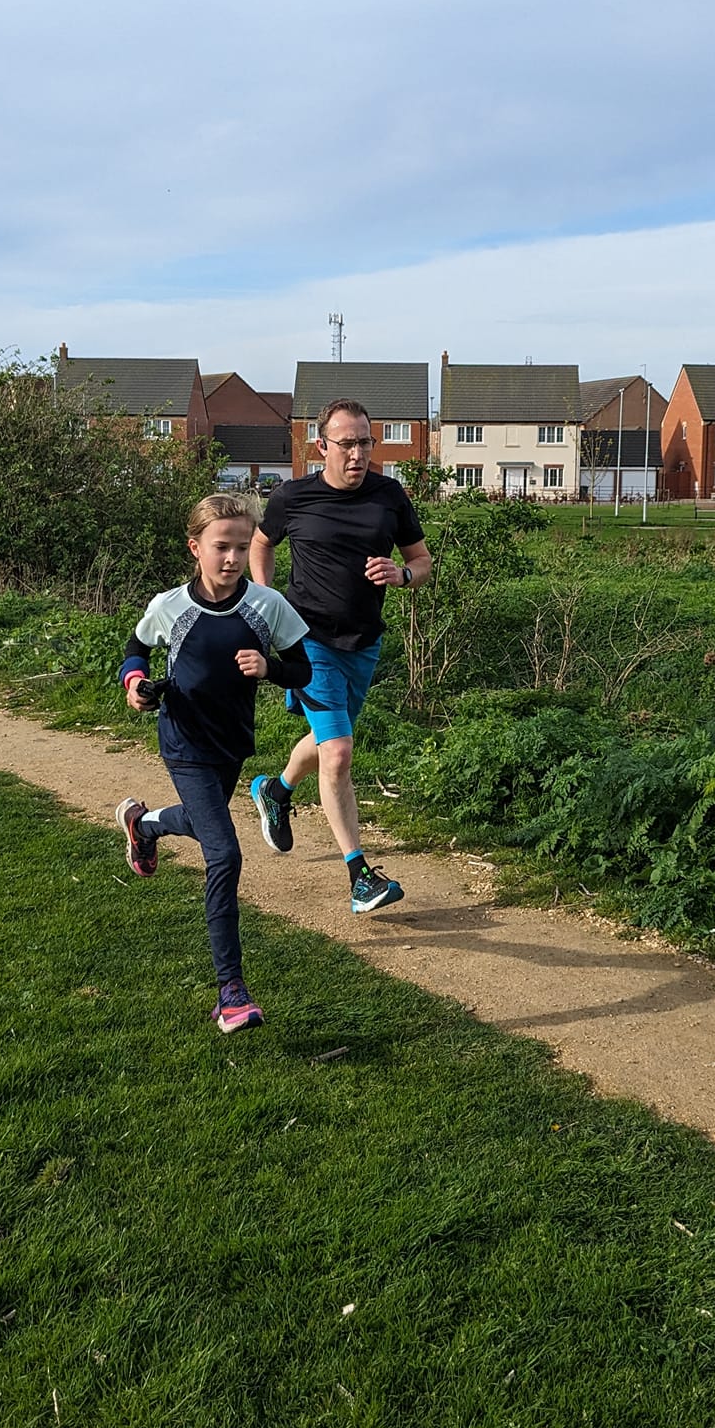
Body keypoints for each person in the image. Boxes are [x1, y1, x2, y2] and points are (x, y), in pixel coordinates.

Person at [115, 491, 311, 1033]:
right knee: (223, 853)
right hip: (183, 741)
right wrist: (136, 684)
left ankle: (146, 824)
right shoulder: (169, 606)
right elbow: (136, 651)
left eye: (241, 548)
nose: (231, 558)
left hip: (231, 744)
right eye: (221, 547)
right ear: (195, 547)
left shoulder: (267, 606)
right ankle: (231, 991)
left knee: (203, 821)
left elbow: (302, 671)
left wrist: (268, 668)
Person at [248, 398, 432, 911]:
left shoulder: (388, 495)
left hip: (364, 642)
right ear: (321, 446)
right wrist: (266, 601)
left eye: (365, 443)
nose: (357, 454)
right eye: (346, 444)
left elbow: (421, 559)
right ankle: (360, 878)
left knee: (331, 740)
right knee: (340, 752)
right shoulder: (293, 497)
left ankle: (276, 791)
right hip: (308, 640)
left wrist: (402, 575)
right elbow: (261, 545)